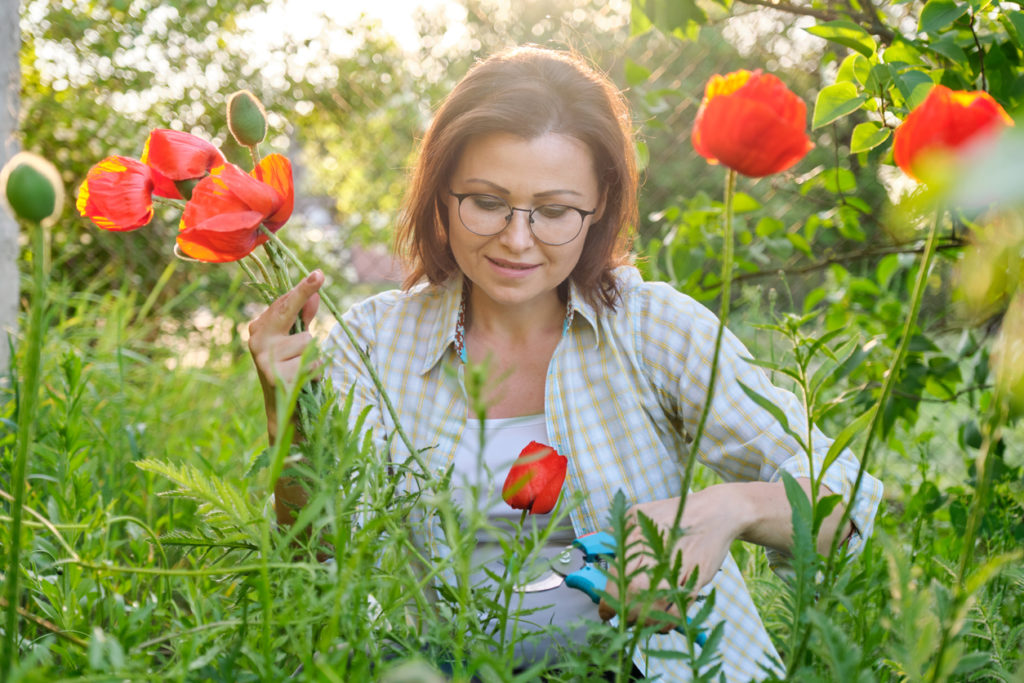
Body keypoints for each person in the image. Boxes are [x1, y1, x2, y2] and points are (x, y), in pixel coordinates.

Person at [247, 46, 883, 682]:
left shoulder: (651, 326)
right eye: (487, 202)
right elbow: (321, 562)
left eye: (554, 211)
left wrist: (729, 508)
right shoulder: (377, 341)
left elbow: (845, 506)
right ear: (442, 193)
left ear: (600, 203)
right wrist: (290, 415)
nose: (517, 239)